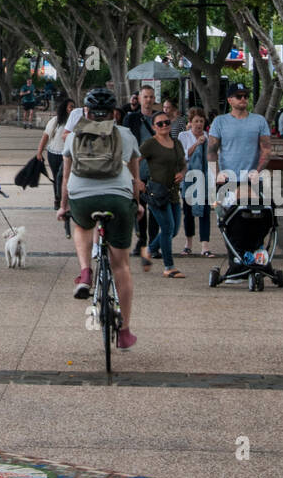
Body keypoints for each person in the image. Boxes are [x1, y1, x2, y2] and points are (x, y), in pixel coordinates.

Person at [58, 87, 142, 350]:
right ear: (115, 113)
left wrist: (63, 206)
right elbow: (136, 181)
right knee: (122, 266)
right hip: (118, 199)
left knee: (81, 224)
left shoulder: (73, 138)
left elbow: (65, 177)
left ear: (86, 112)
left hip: (82, 197)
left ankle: (85, 273)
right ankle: (125, 332)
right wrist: (137, 207)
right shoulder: (126, 135)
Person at [208, 83, 272, 206]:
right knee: (227, 218)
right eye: (238, 96)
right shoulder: (219, 122)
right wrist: (217, 174)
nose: (243, 99)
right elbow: (211, 151)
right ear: (230, 100)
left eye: (246, 96)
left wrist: (257, 172)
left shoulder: (259, 121)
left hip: (251, 179)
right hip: (227, 179)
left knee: (255, 216)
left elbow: (266, 150)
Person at [141, 109, 187, 277]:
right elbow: (134, 160)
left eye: (167, 122)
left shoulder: (177, 143)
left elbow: (183, 163)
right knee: (167, 228)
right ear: (154, 127)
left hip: (173, 192)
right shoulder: (150, 144)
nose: (164, 126)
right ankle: (169, 267)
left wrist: (182, 173)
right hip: (157, 193)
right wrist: (137, 180)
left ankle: (149, 250)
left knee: (174, 230)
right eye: (160, 124)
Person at [123, 85, 159, 257]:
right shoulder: (131, 119)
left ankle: (153, 244)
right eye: (146, 97)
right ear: (140, 98)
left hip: (156, 170)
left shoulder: (160, 118)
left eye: (151, 97)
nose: (149, 100)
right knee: (140, 209)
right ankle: (141, 242)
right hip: (138, 169)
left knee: (156, 209)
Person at [178, 106, 213, 256]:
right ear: (190, 122)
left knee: (205, 212)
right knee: (188, 212)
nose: (199, 124)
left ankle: (205, 246)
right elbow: (183, 156)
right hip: (188, 179)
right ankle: (188, 244)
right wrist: (197, 144)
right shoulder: (183, 136)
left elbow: (212, 158)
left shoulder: (209, 137)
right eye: (196, 121)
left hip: (204, 179)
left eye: (201, 121)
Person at [36, 95, 74, 212]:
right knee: (57, 177)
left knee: (64, 178)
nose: (72, 109)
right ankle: (57, 199)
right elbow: (45, 136)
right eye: (70, 107)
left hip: (68, 155)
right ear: (65, 108)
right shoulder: (55, 121)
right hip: (54, 153)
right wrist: (39, 152)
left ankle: (65, 200)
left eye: (73, 107)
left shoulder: (75, 122)